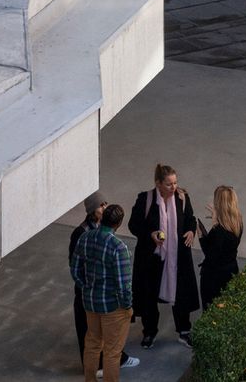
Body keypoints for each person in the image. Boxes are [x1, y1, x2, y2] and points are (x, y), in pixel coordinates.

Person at [129, 163, 200, 348]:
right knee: (149, 296)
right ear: (158, 183)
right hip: (153, 257)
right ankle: (149, 332)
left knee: (181, 293)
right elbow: (133, 225)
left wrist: (191, 231)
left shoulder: (182, 198)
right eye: (169, 184)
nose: (173, 187)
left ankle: (184, 331)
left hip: (177, 256)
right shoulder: (146, 199)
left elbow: (191, 219)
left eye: (175, 183)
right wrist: (150, 235)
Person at [70, 202, 137, 382]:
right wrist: (128, 307)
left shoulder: (85, 238)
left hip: (91, 303)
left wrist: (86, 287)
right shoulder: (118, 247)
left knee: (92, 345)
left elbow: (75, 269)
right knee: (112, 352)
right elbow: (124, 285)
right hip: (113, 307)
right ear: (119, 223)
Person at [197, 186, 243, 310]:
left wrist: (201, 236)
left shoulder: (219, 230)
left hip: (214, 278)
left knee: (211, 310)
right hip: (231, 271)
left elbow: (211, 255)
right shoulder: (237, 222)